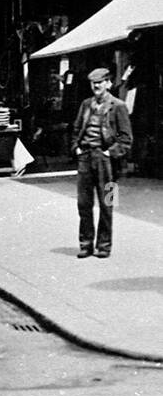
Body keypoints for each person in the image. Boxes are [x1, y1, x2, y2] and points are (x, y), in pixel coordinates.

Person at [71, 67, 132, 259]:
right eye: (93, 83)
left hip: (108, 163)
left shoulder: (119, 106)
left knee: (108, 203)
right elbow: (76, 129)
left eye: (100, 82)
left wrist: (109, 153)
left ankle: (104, 246)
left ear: (108, 83)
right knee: (83, 203)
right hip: (86, 159)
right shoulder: (86, 104)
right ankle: (86, 244)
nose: (96, 86)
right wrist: (77, 148)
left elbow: (126, 139)